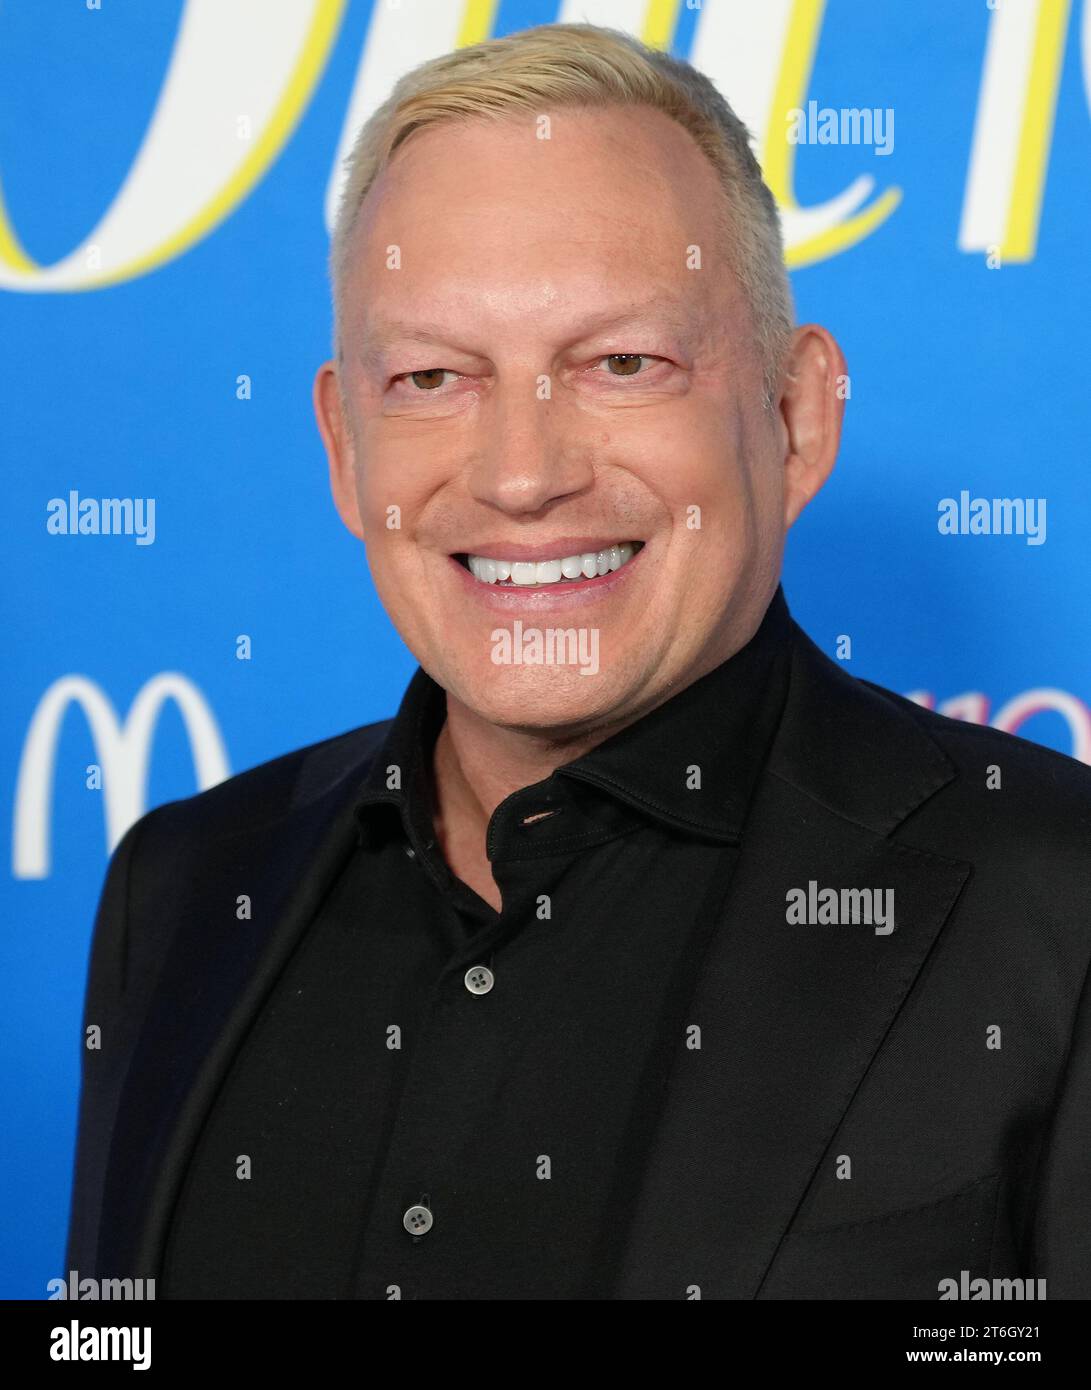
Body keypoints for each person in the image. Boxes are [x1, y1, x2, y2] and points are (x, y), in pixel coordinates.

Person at [65, 22, 1091, 1300]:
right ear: (343, 446)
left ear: (794, 417)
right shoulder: (182, 888)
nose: (521, 474)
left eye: (620, 364)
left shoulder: (1059, 900)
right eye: (433, 376)